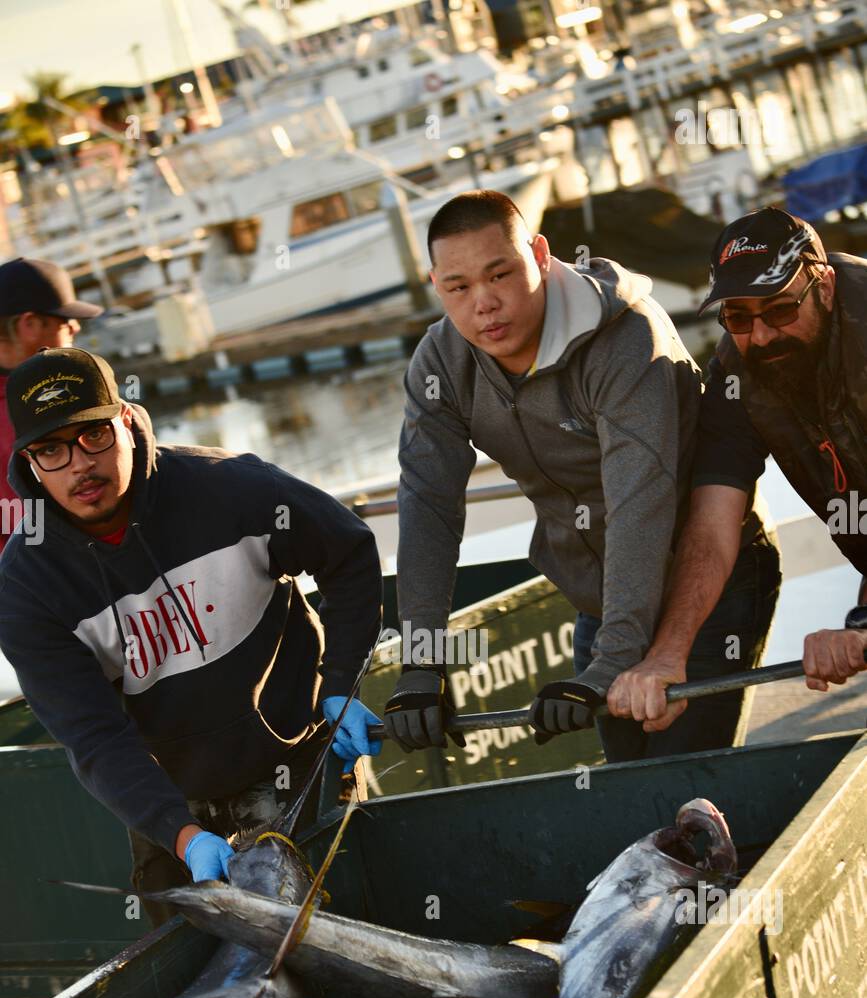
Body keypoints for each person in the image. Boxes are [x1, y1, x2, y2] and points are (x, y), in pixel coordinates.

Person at [382, 189, 779, 760]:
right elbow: (428, 504)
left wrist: (614, 662)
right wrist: (421, 664)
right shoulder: (441, 361)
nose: (484, 304)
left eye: (501, 274)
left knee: (685, 784)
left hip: (710, 575)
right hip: (599, 591)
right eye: (458, 287)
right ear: (435, 284)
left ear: (540, 255)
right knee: (623, 777)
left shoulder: (625, 336)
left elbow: (638, 502)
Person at [0, 348, 383, 924]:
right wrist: (183, 837)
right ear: (30, 463)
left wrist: (342, 683)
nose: (79, 464)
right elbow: (96, 738)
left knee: (365, 941)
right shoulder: (26, 585)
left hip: (304, 765)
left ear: (126, 422)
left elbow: (349, 554)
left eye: (93, 435)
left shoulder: (230, 488)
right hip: (170, 806)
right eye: (51, 449)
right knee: (203, 991)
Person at [608, 206, 867, 734]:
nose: (762, 336)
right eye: (739, 317)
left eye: (778, 309)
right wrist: (667, 656)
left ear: (826, 284)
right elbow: (713, 523)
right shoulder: (735, 372)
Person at [0, 258, 102, 551]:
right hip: (55, 581)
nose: (75, 328)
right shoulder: (47, 401)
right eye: (65, 320)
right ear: (29, 324)